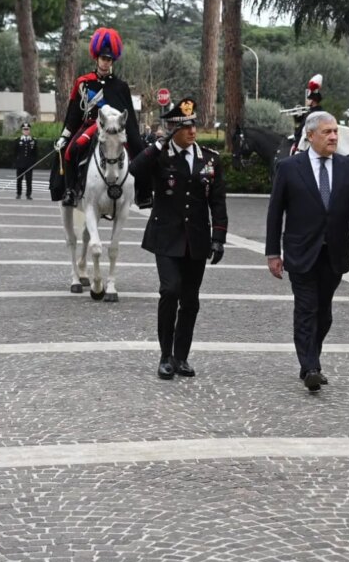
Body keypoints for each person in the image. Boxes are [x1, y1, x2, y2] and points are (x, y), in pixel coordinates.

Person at [265, 111, 349, 392]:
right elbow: (275, 213)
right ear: (310, 135)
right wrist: (272, 252)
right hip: (301, 252)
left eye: (335, 131)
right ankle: (311, 367)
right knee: (305, 309)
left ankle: (311, 359)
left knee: (323, 314)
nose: (334, 137)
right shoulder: (289, 168)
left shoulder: (348, 168)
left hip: (334, 253)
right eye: (327, 132)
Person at [132, 97, 227, 380]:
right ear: (173, 128)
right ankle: (164, 356)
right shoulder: (160, 156)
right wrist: (160, 142)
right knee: (170, 290)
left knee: (190, 300)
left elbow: (218, 202)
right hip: (166, 237)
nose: (192, 131)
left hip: (196, 239)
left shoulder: (209, 159)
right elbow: (135, 170)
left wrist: (218, 237)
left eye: (194, 124)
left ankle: (181, 356)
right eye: (185, 127)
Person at [55, 27, 148, 208]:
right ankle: (70, 191)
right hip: (92, 126)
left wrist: (133, 134)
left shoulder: (120, 86)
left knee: (139, 149)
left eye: (109, 60)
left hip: (115, 127)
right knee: (70, 151)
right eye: (103, 59)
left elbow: (127, 113)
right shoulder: (84, 83)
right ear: (96, 58)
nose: (106, 63)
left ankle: (142, 193)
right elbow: (74, 113)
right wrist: (64, 136)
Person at [291, 74, 324, 149]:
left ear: (312, 101)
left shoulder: (311, 115)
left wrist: (297, 121)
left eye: (308, 99)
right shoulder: (320, 112)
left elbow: (298, 134)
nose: (306, 101)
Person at [14, 122, 37, 199]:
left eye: (27, 129)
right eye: (24, 129)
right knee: (19, 179)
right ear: (22, 131)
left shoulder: (33, 141)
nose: (26, 131)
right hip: (20, 164)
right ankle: (18, 193)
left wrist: (33, 163)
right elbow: (15, 152)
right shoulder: (18, 140)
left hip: (29, 164)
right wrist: (16, 162)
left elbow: (35, 153)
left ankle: (28, 194)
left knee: (29, 180)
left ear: (29, 130)